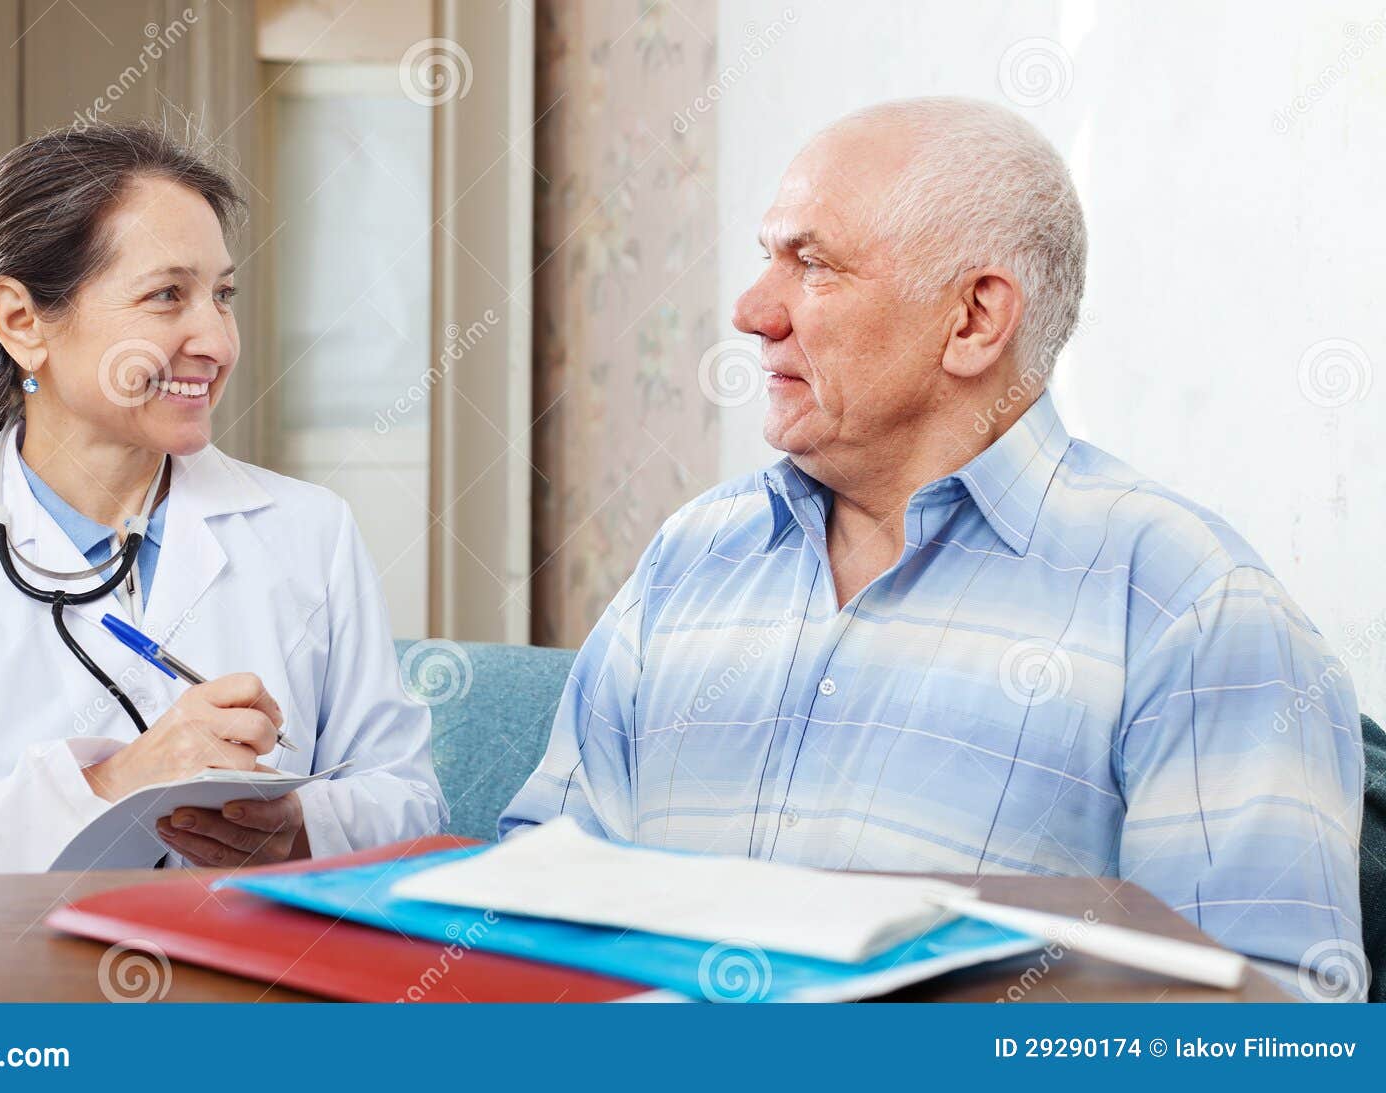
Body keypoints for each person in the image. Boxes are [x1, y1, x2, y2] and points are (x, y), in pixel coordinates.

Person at [501, 98, 1363, 995]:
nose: (754, 310)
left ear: (975, 319)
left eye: (815, 265)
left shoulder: (1191, 607)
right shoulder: (693, 557)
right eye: (768, 259)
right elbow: (528, 900)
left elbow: (1281, 1032)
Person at [0, 123, 445, 879]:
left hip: (256, 987)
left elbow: (413, 803)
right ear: (21, 322)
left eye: (222, 295)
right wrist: (110, 784)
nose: (218, 341)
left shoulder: (310, 532)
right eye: (167, 295)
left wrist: (300, 825)